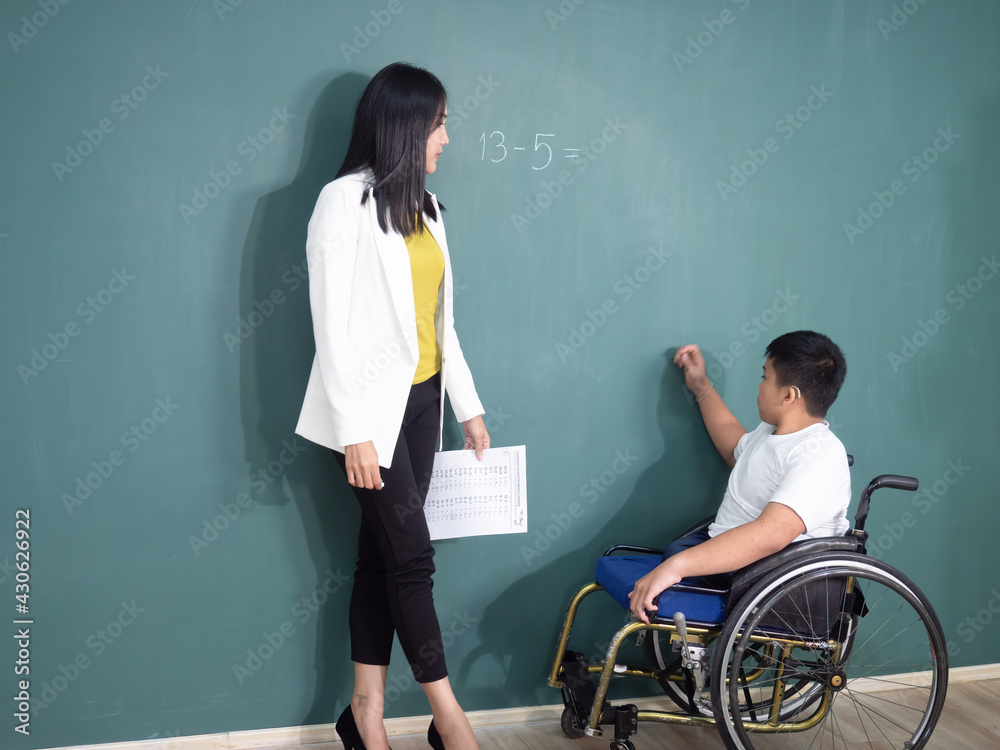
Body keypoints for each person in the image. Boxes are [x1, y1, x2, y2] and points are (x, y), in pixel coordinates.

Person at [295, 63, 488, 750]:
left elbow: (441, 323)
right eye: (439, 124)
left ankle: (364, 715)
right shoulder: (340, 203)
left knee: (382, 558)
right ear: (405, 126)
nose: (446, 138)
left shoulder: (430, 210)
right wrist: (354, 433)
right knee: (412, 559)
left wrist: (468, 407)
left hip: (423, 407)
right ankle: (450, 721)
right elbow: (332, 330)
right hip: (370, 417)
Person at [629, 330, 850, 624]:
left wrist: (676, 567)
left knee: (668, 567)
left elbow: (771, 534)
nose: (759, 387)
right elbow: (737, 452)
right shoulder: (773, 432)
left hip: (759, 581)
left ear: (788, 395)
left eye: (764, 377)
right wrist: (700, 386)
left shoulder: (820, 455)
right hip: (728, 564)